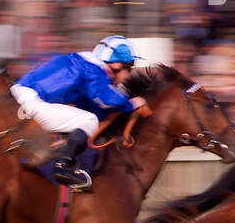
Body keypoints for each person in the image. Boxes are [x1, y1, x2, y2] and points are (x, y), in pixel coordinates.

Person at [10, 34, 151, 189]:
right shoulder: (94, 70)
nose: (128, 76)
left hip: (20, 97)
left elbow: (89, 105)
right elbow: (107, 100)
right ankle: (63, 167)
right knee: (89, 121)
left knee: (83, 119)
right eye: (129, 68)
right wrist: (131, 103)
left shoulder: (83, 63)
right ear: (116, 65)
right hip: (31, 102)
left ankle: (57, 149)